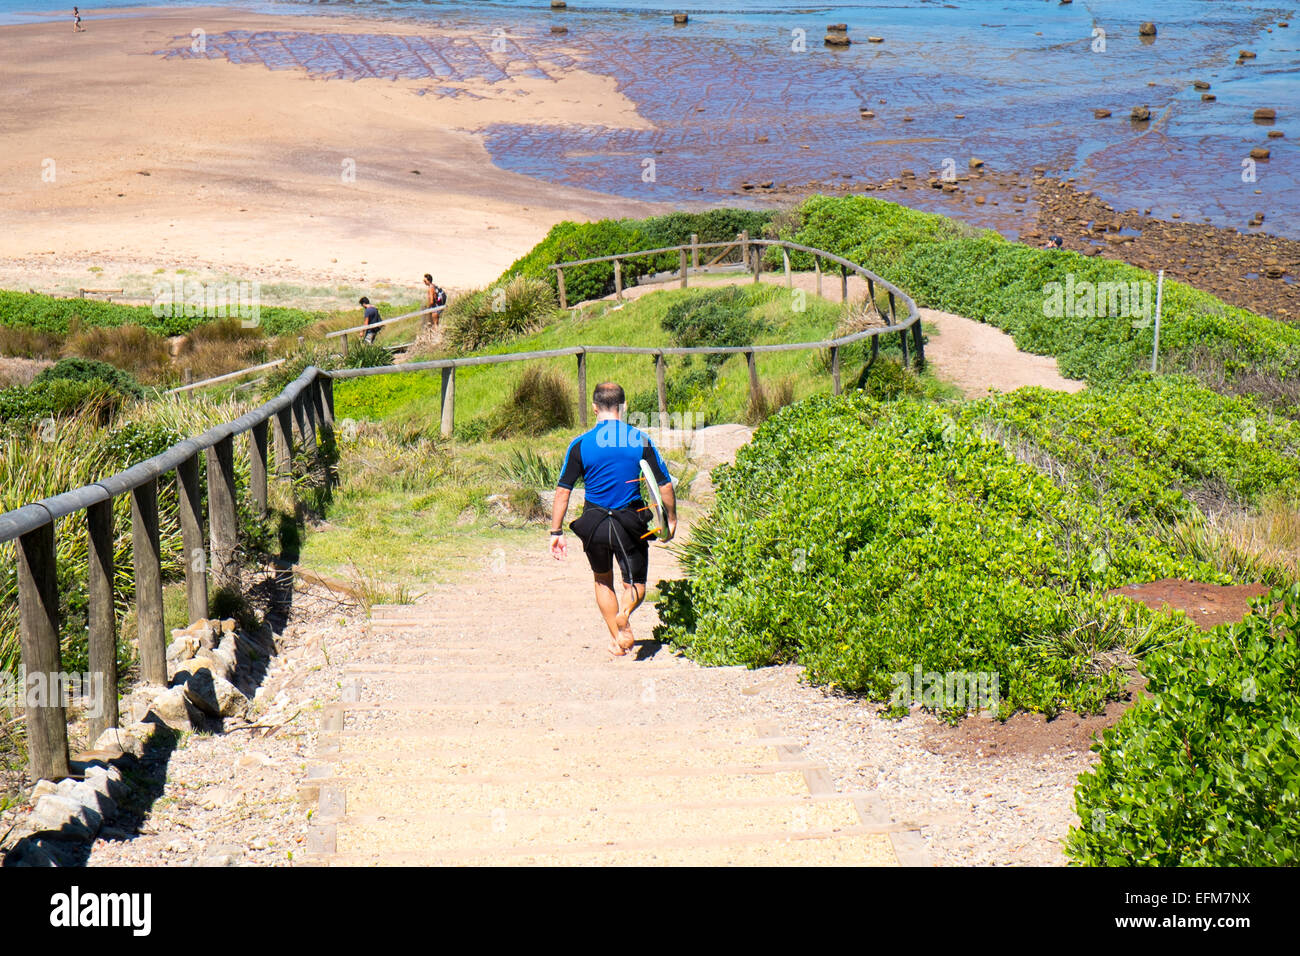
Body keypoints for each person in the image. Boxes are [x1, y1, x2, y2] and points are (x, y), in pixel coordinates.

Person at [550, 382, 676, 657]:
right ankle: (626, 612)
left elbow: (563, 491)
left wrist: (556, 531)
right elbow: (664, 485)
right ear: (624, 407)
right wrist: (671, 518)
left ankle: (619, 638)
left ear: (594, 408)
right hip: (629, 521)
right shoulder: (639, 439)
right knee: (636, 585)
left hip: (593, 523)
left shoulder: (580, 444)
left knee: (602, 580)